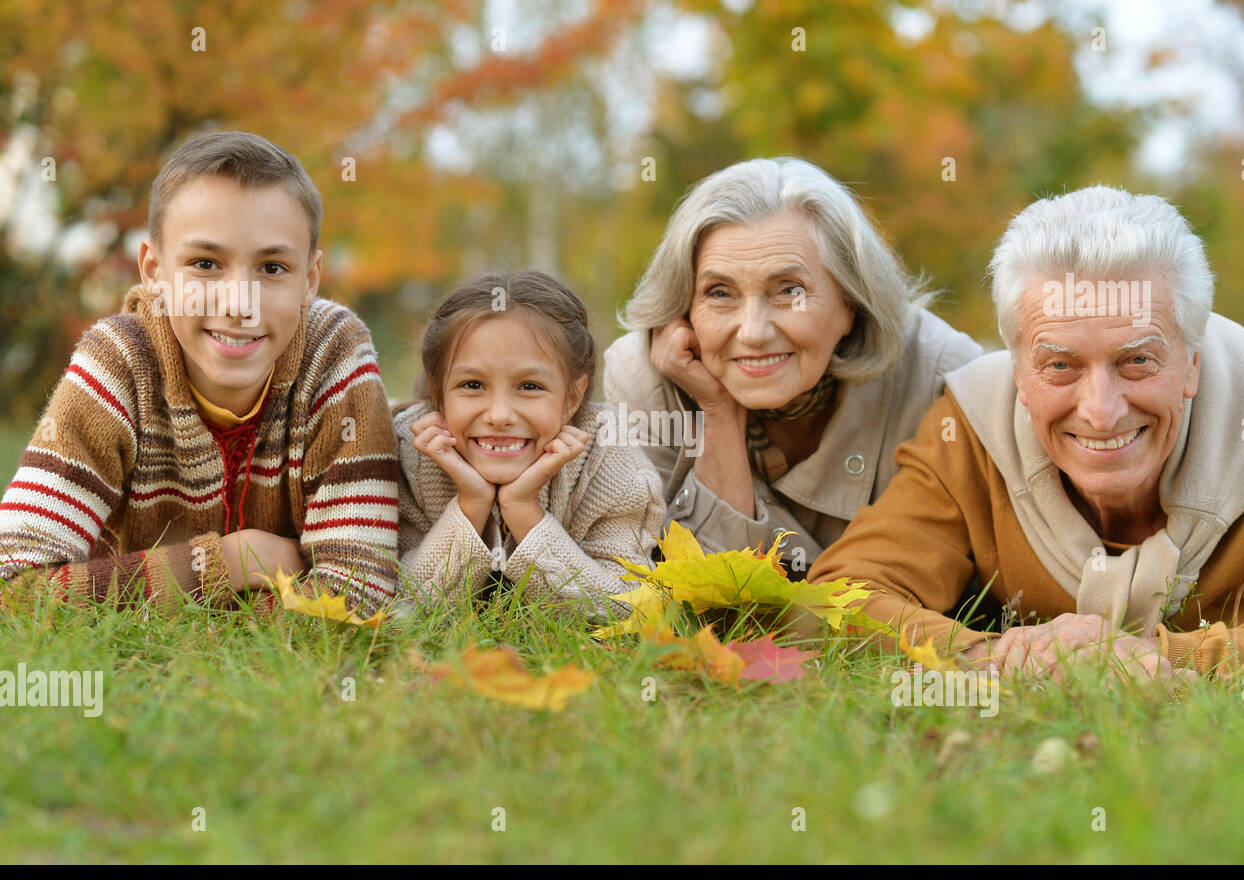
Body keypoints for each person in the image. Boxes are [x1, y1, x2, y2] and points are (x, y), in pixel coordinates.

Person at [810, 185, 1244, 680]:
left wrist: (1160, 660)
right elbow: (843, 596)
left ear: (1191, 363)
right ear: (1018, 372)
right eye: (1060, 365)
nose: (1101, 412)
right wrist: (993, 657)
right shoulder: (973, 424)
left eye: (1137, 361)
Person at [0, 131, 400, 616]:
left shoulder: (334, 355)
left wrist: (147, 600)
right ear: (153, 270)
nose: (238, 303)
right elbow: (13, 587)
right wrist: (230, 562)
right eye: (205, 263)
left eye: (272, 268)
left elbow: (357, 592)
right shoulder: (120, 365)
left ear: (309, 280)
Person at [603, 157, 982, 570]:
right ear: (684, 308)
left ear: (851, 301)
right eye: (719, 293)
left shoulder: (940, 374)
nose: (753, 331)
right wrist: (717, 413)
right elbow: (690, 592)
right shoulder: (645, 382)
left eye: (789, 290)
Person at [395, 269, 665, 619]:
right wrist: (471, 505)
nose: (500, 415)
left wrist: (524, 511)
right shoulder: (409, 455)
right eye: (473, 385)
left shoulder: (610, 457)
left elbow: (625, 610)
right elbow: (401, 609)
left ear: (572, 396)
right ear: (437, 392)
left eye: (530, 386)